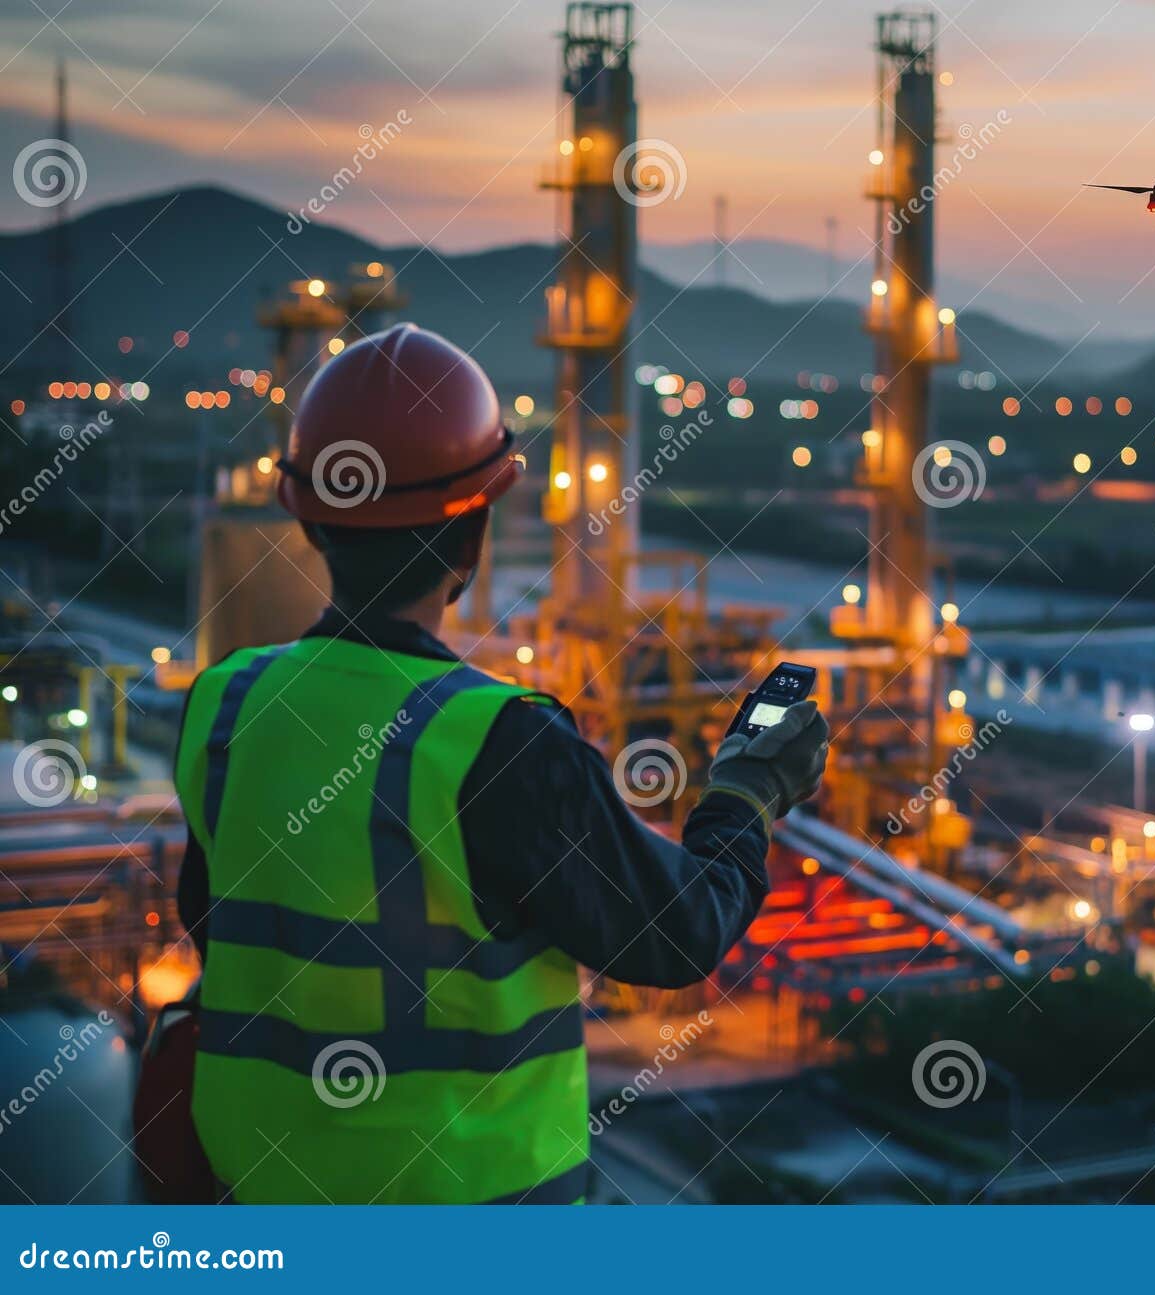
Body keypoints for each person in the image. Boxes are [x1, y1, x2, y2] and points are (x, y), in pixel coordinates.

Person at [171, 323, 829, 1204]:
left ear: (314, 525)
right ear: (472, 540)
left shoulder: (225, 705)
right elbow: (681, 932)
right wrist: (750, 787)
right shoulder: (499, 740)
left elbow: (219, 920)